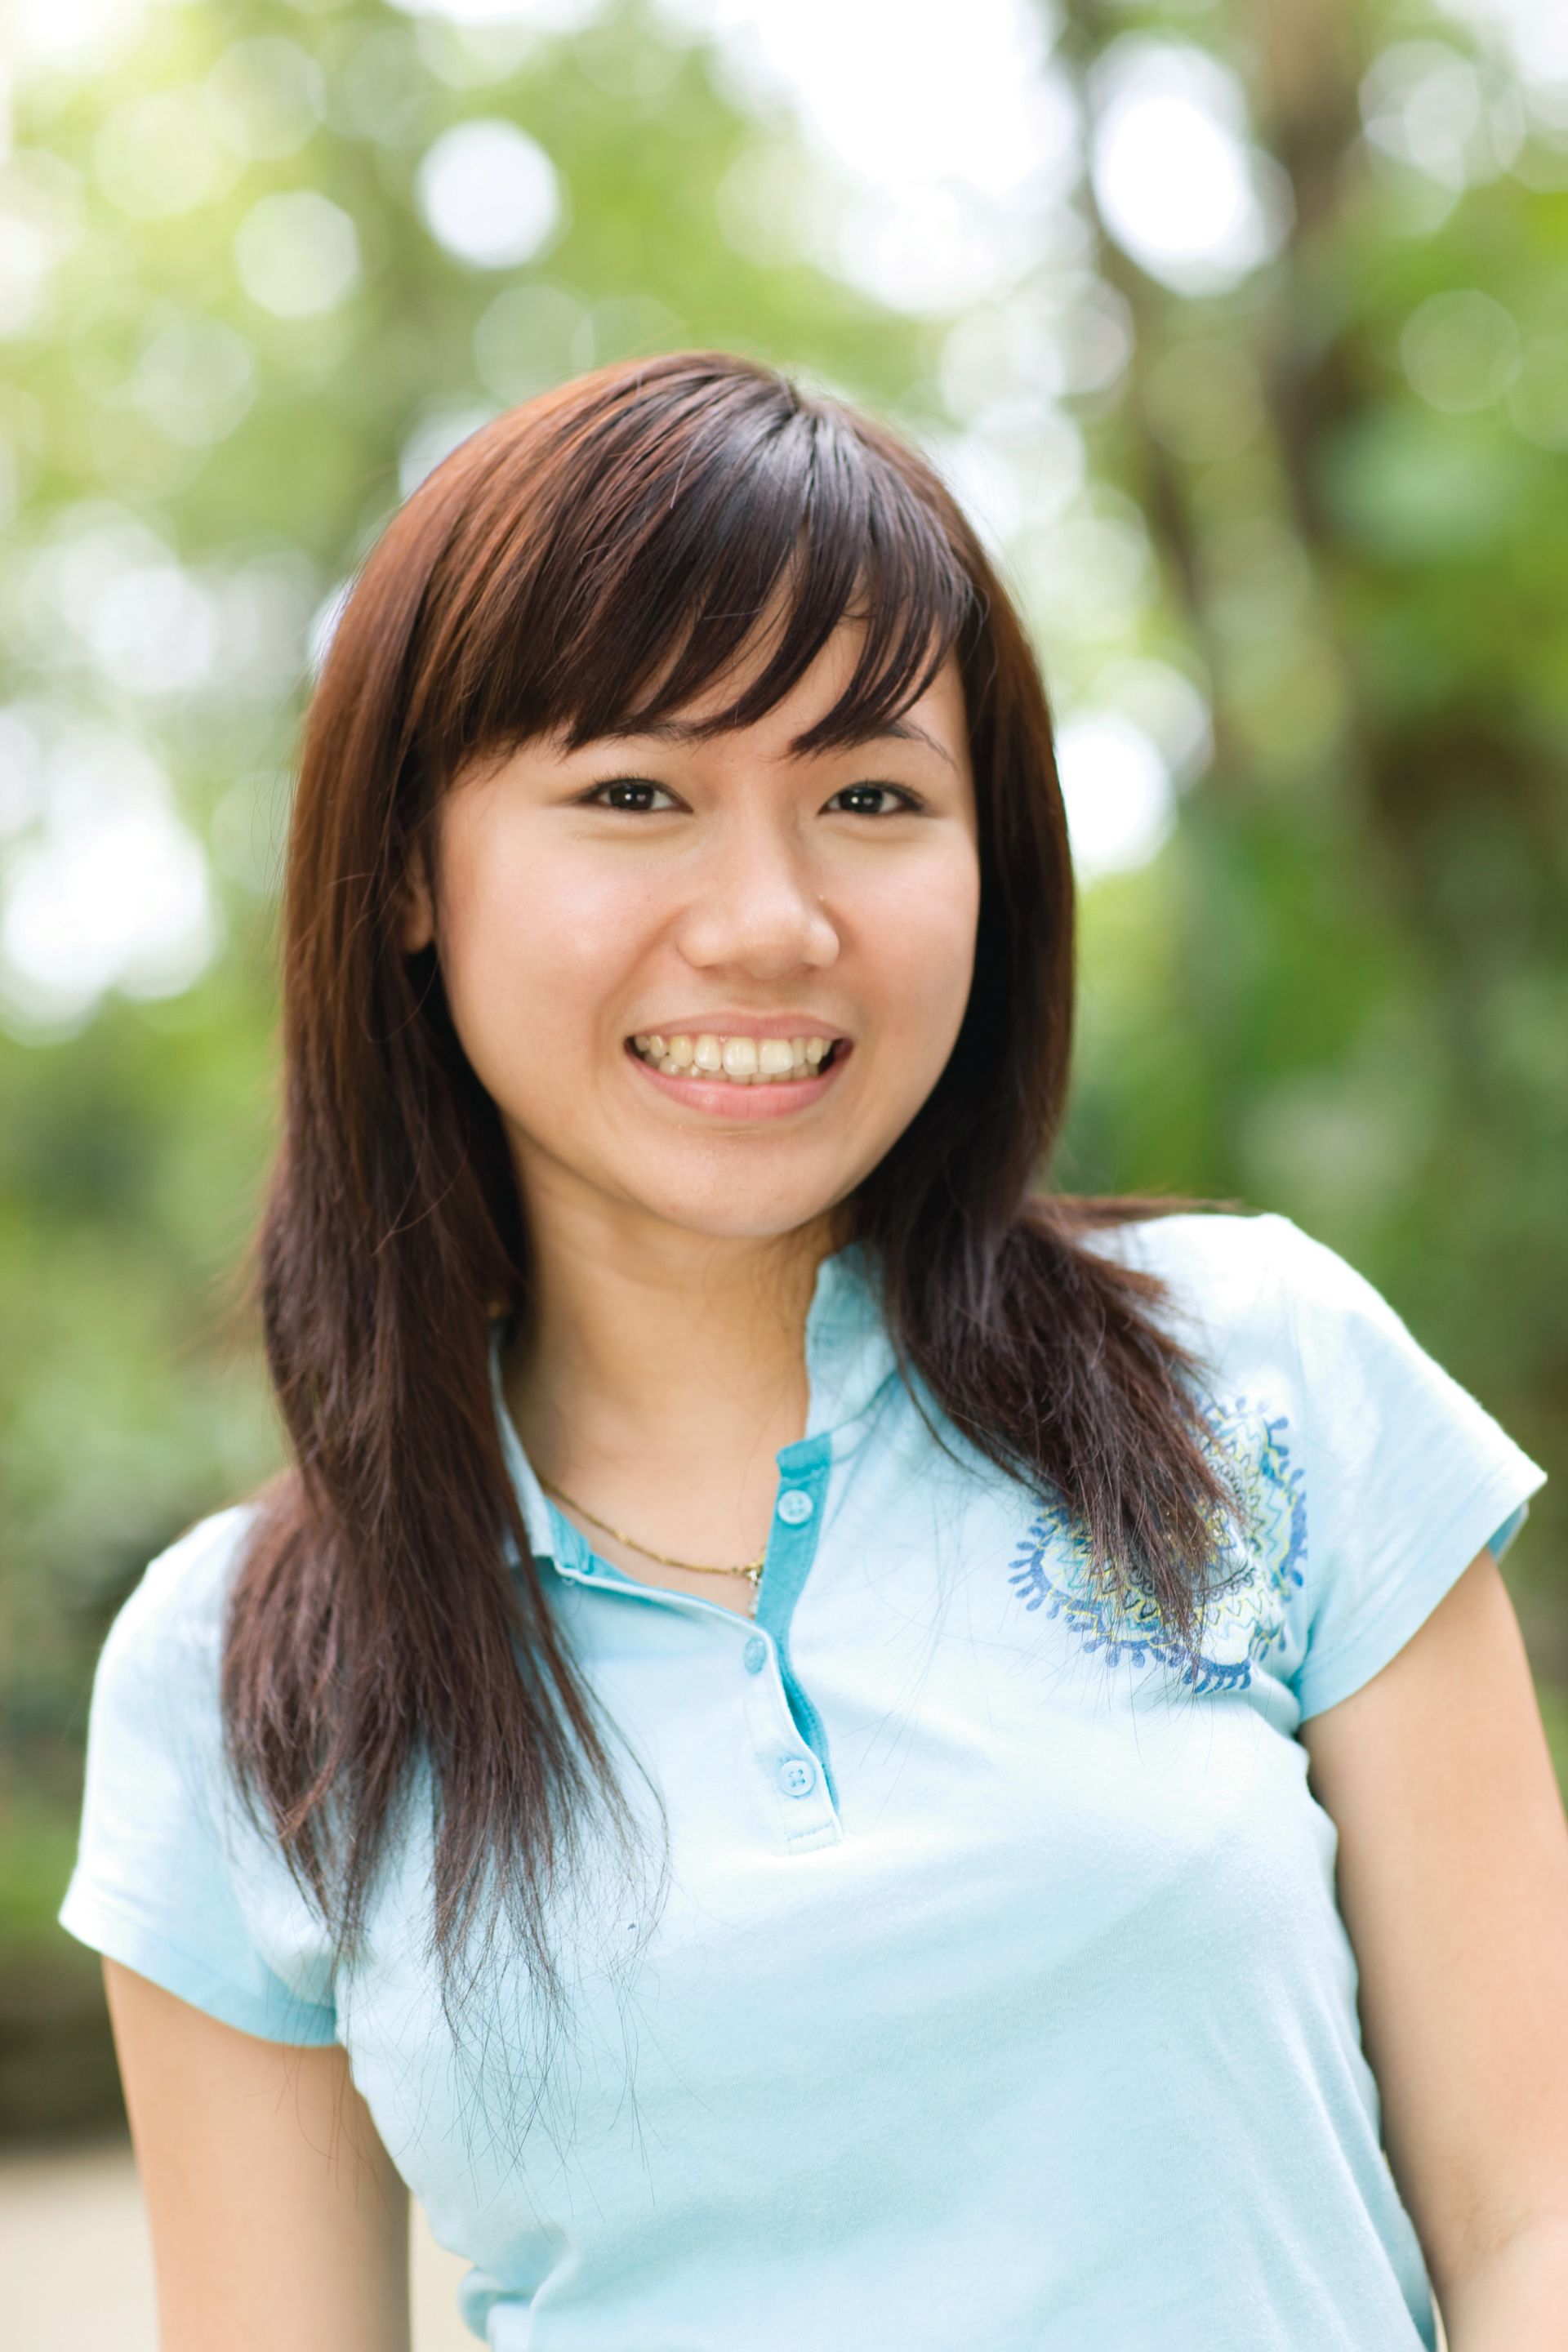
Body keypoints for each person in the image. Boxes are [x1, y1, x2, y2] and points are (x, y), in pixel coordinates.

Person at [59, 351, 1566, 2352]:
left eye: (871, 796)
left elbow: (1532, 2220)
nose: (769, 922)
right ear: (410, 870)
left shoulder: (1254, 1381)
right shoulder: (241, 1671)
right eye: (633, 795)